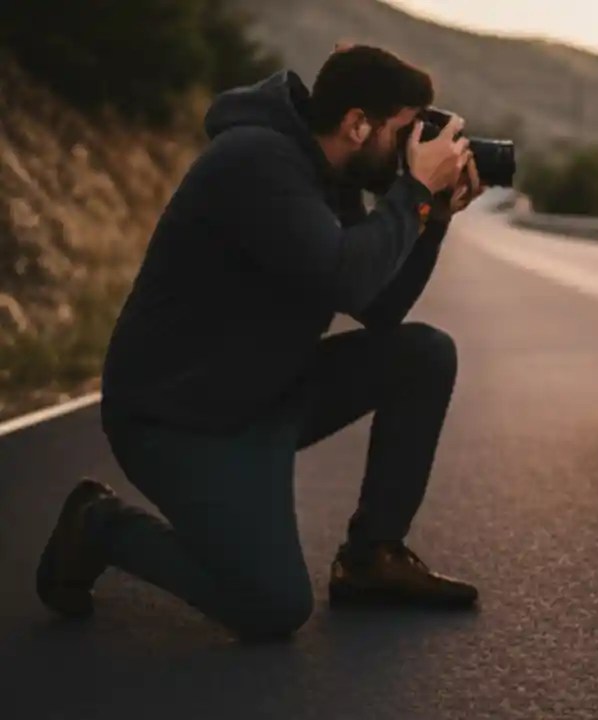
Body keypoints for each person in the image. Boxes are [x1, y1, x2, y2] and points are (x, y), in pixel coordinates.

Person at [35, 45, 485, 640]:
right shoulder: (255, 161)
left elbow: (377, 306)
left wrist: (433, 221)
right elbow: (343, 275)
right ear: (357, 124)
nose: (412, 150)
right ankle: (99, 526)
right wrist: (415, 196)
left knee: (424, 354)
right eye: (405, 131)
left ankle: (370, 559)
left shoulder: (332, 178)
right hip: (176, 419)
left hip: (265, 392)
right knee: (271, 606)